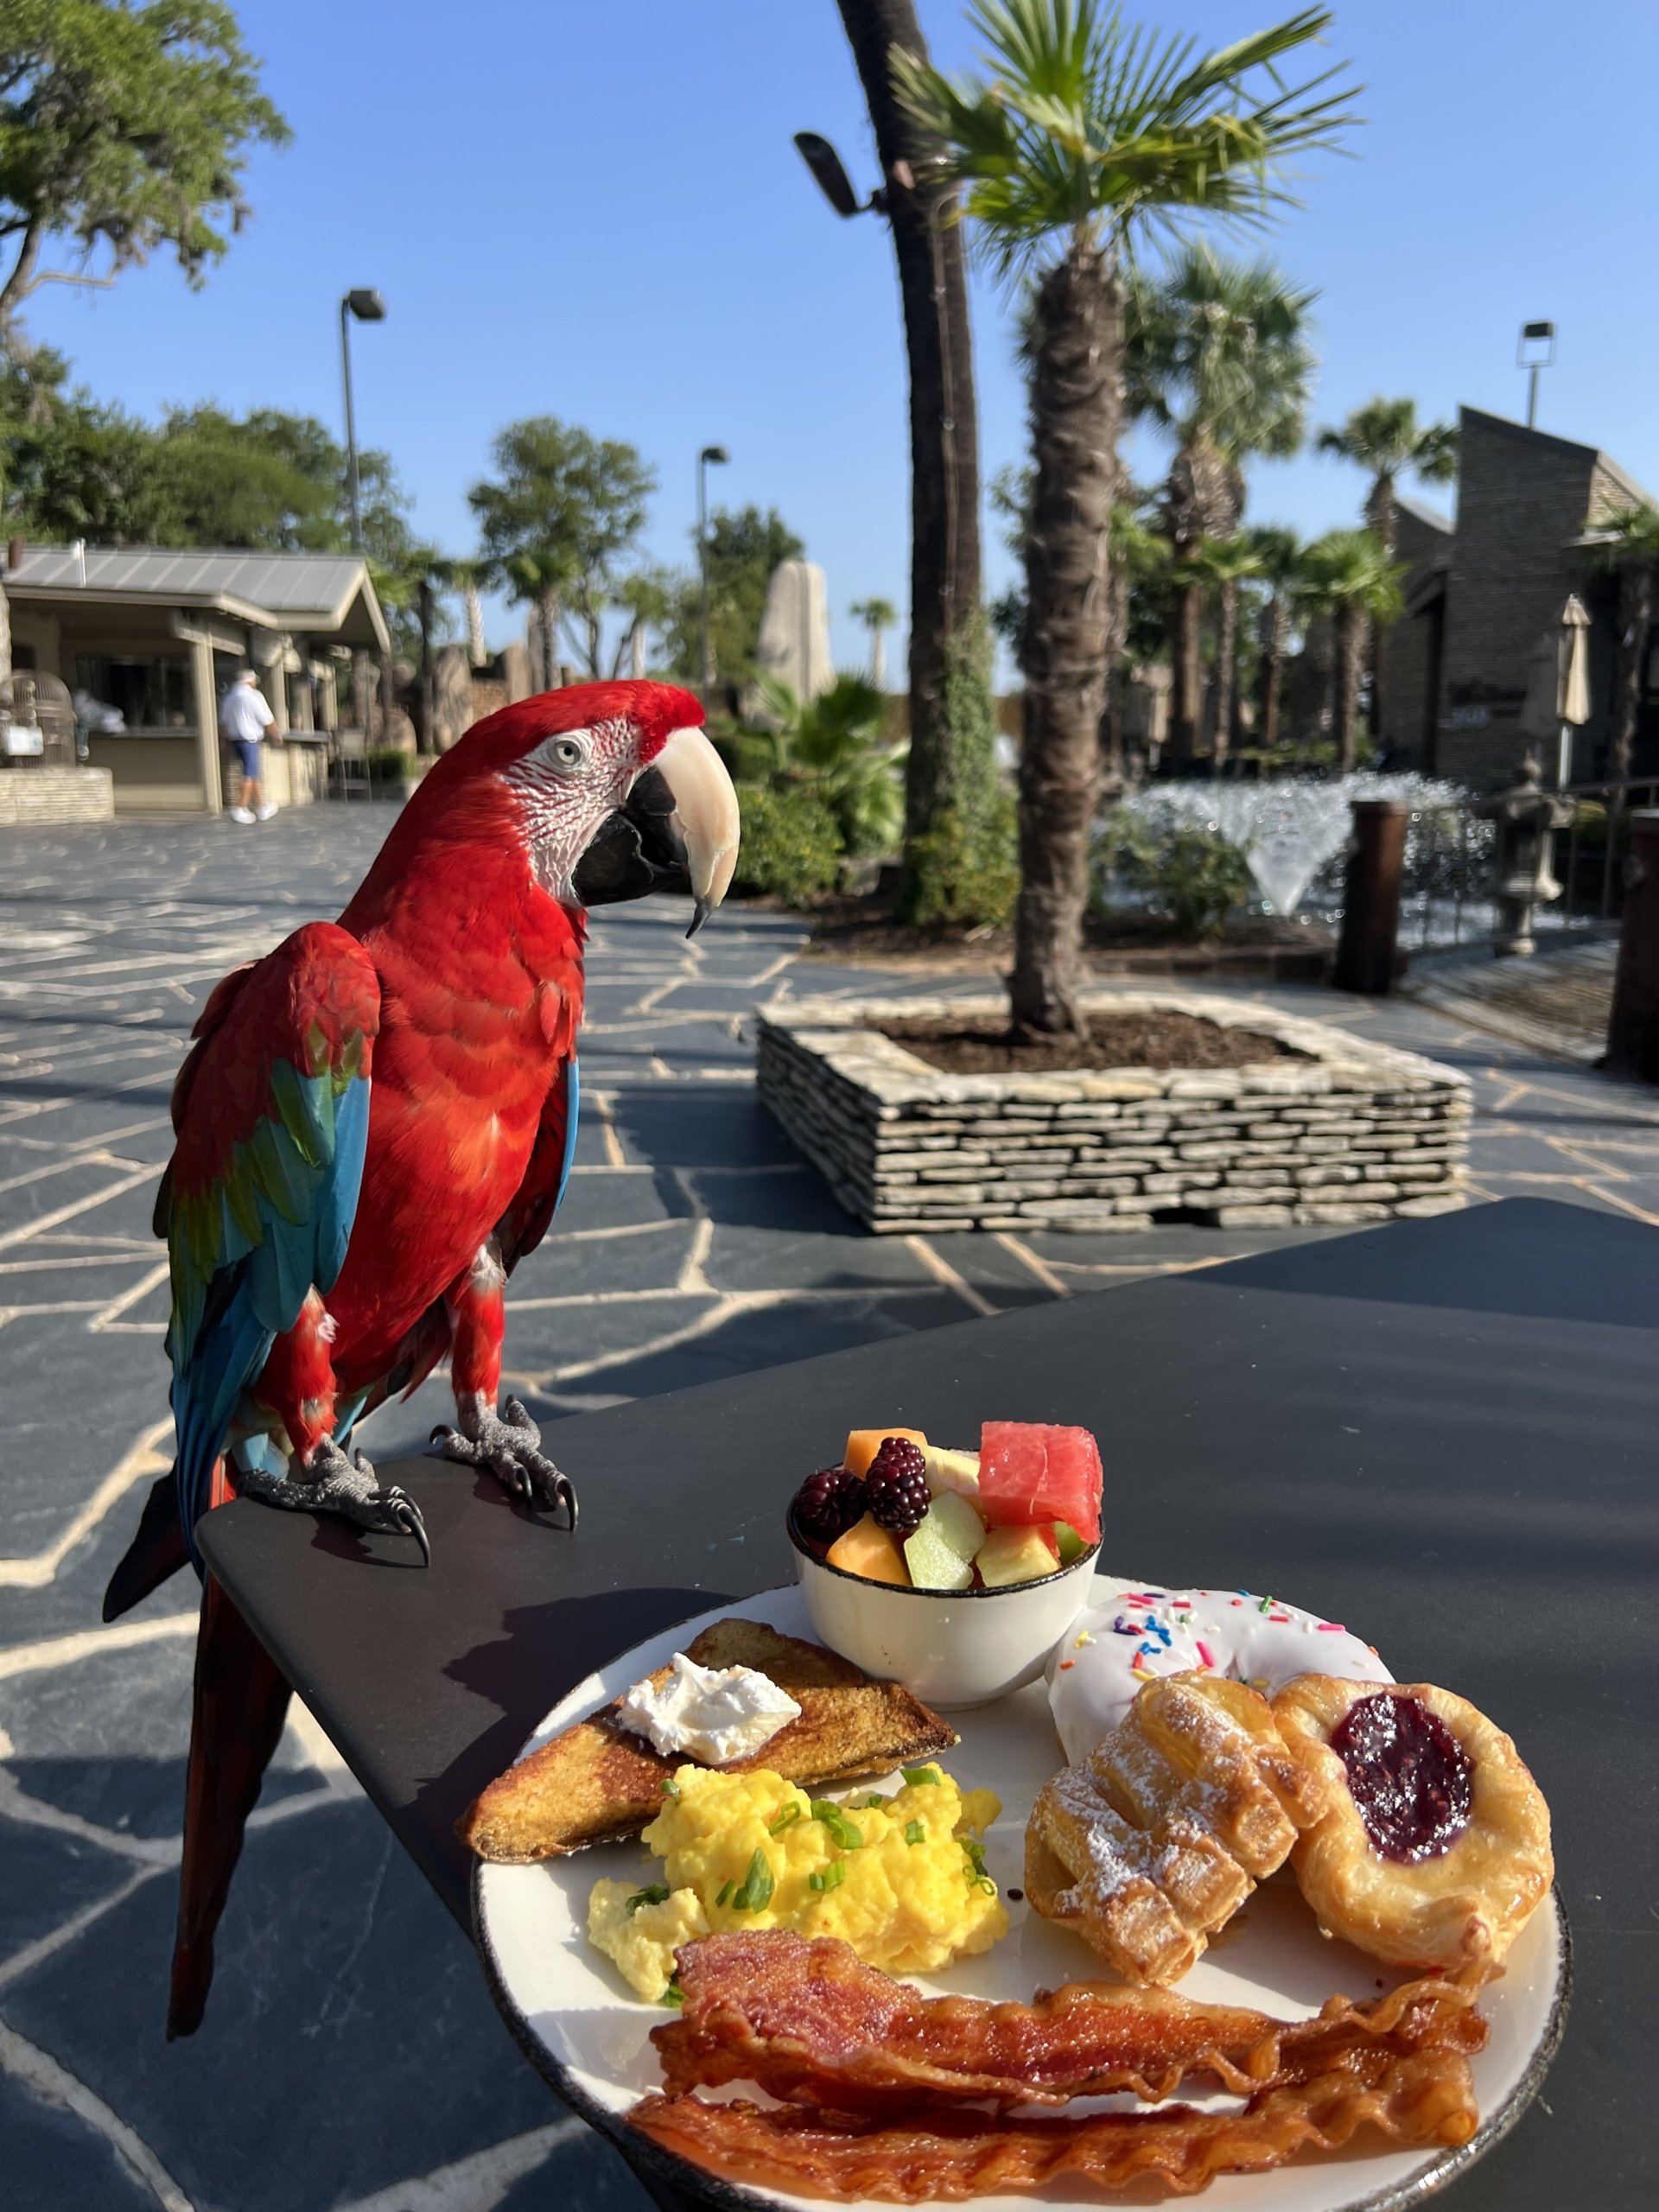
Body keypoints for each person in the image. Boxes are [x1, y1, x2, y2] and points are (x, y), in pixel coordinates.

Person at [219, 667, 282, 823]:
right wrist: (276, 734)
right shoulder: (253, 696)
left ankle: (262, 806)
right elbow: (267, 718)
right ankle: (240, 807)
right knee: (249, 774)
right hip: (250, 740)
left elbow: (223, 722)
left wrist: (222, 740)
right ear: (251, 681)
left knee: (253, 774)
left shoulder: (230, 697)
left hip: (235, 740)